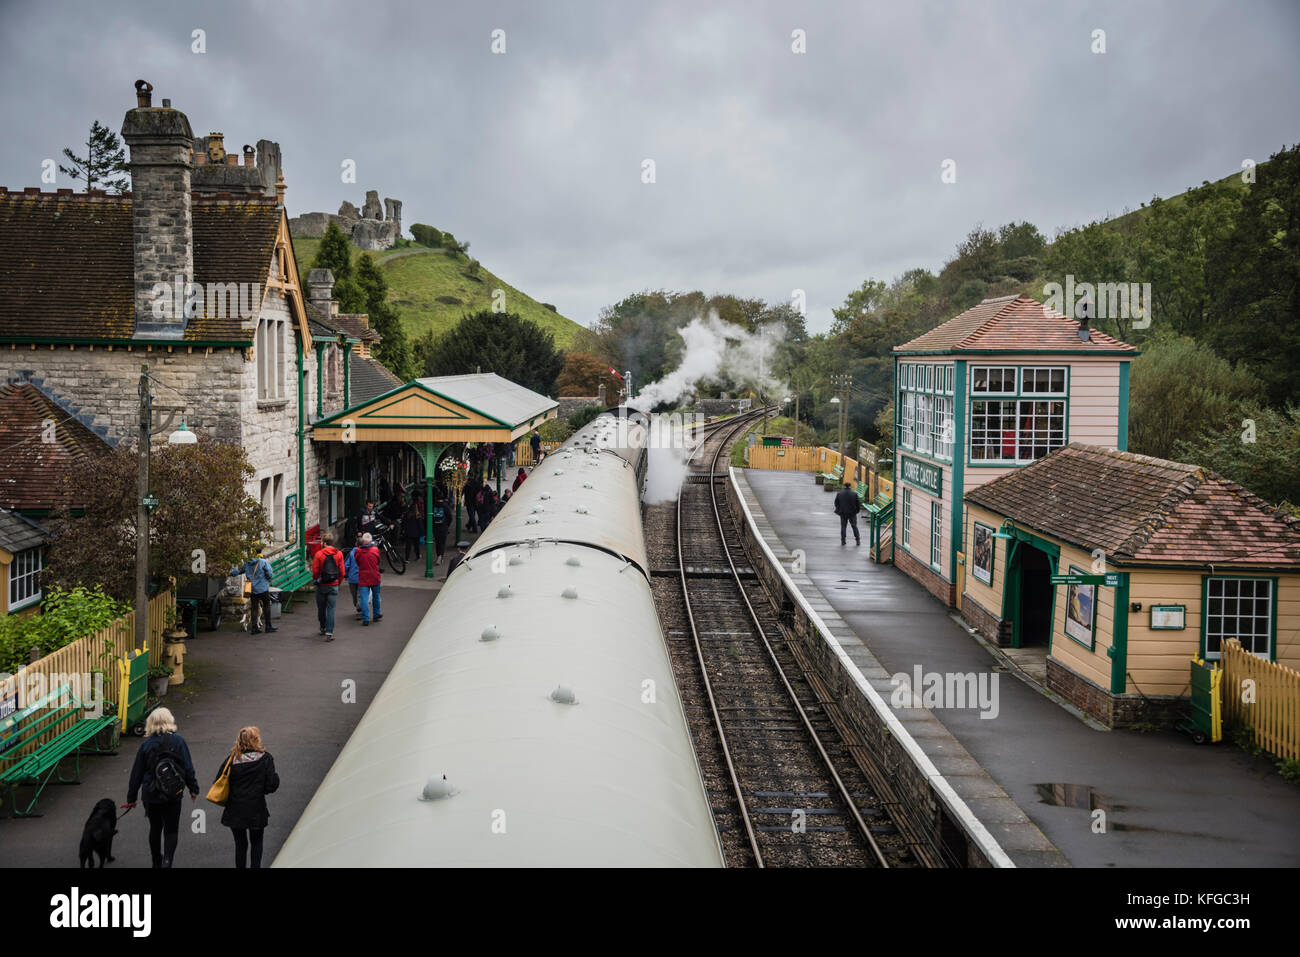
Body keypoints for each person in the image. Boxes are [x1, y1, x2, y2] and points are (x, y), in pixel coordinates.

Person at [124, 707, 200, 868]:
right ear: (169, 721)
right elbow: (187, 767)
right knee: (171, 829)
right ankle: (168, 861)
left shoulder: (146, 745)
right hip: (173, 792)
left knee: (155, 827)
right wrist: (193, 788)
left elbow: (136, 773)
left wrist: (131, 798)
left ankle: (156, 861)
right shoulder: (178, 741)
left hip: (151, 793)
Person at [213, 726, 280, 869]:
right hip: (256, 809)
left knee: (240, 844)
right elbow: (270, 786)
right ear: (256, 740)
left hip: (235, 810)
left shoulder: (231, 760)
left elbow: (218, 781)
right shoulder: (265, 759)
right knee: (256, 842)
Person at [231, 548, 276, 634]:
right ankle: (268, 626)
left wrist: (230, 573)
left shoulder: (247, 564)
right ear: (260, 553)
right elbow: (270, 575)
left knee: (254, 607)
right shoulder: (263, 562)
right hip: (263, 588)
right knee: (266, 605)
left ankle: (254, 628)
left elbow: (238, 571)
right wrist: (265, 578)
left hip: (253, 589)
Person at [312, 533, 345, 641]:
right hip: (333, 585)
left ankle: (322, 626)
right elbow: (342, 572)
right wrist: (338, 582)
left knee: (321, 608)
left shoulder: (319, 554)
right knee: (331, 609)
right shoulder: (339, 554)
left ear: (324, 543)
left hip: (321, 585)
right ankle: (329, 632)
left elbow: (315, 571)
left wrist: (317, 580)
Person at [355, 532, 382, 625]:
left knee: (364, 598)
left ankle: (366, 618)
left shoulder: (358, 551)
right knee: (376, 596)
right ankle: (376, 614)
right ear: (371, 541)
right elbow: (378, 561)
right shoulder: (375, 550)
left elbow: (357, 562)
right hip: (375, 575)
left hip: (363, 577)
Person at [834, 480, 862, 546]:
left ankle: (843, 540)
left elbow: (836, 503)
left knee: (843, 526)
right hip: (852, 513)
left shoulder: (839, 494)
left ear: (844, 486)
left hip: (843, 512)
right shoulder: (854, 494)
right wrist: (856, 511)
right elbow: (858, 504)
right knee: (854, 526)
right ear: (850, 486)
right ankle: (857, 540)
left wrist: (839, 509)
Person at [430, 488, 450, 563]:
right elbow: (450, 517)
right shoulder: (445, 506)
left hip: (435, 527)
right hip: (443, 526)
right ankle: (440, 556)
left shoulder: (433, 506)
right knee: (442, 542)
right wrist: (447, 524)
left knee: (438, 542)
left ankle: (438, 555)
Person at [402, 498, 423, 563]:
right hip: (416, 533)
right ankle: (417, 556)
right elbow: (420, 526)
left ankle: (407, 559)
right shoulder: (417, 516)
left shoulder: (406, 515)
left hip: (408, 533)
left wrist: (404, 530)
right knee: (416, 546)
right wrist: (422, 533)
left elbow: (403, 523)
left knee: (408, 546)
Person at [345, 544, 361, 619]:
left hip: (352, 578)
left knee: (354, 594)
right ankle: (359, 606)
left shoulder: (351, 553)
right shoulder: (364, 552)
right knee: (359, 594)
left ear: (355, 544)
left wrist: (345, 575)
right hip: (361, 577)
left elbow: (346, 565)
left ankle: (358, 606)